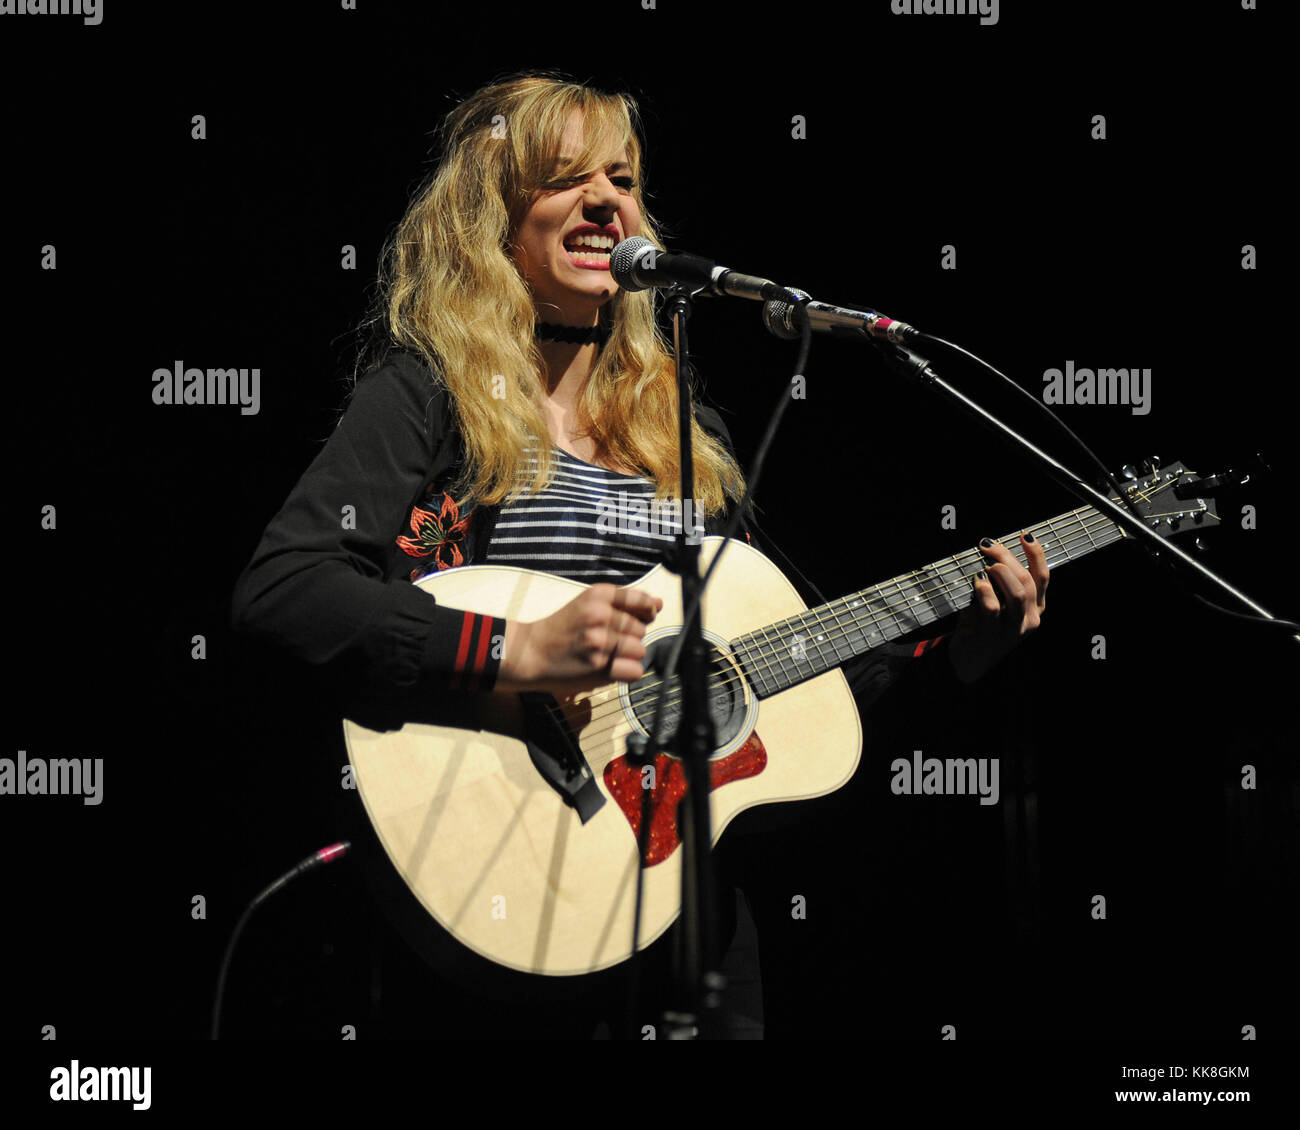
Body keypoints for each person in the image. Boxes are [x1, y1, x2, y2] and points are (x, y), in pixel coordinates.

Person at [229, 70, 1049, 1039]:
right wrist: (516, 648)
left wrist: (958, 647)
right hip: (500, 884)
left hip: (686, 920)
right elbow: (283, 591)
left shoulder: (679, 427)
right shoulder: (426, 395)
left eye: (620, 177)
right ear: (490, 213)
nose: (605, 200)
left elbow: (774, 686)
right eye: (562, 175)